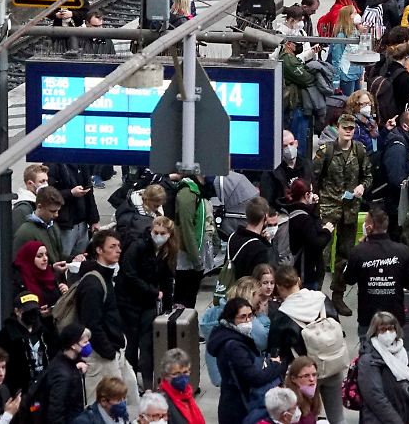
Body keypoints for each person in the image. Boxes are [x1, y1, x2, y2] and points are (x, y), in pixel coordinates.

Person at [267, 267, 345, 422]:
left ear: (279, 287)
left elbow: (274, 349)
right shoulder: (322, 299)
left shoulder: (282, 314)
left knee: (307, 418)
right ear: (298, 281)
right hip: (333, 364)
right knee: (337, 418)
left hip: (305, 373)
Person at [313, 114, 372, 316]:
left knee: (345, 255)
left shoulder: (360, 151)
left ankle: (338, 295)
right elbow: (315, 177)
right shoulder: (326, 151)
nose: (348, 131)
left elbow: (368, 175)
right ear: (337, 128)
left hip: (350, 209)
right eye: (345, 128)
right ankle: (314, 295)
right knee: (321, 253)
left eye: (351, 128)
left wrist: (363, 186)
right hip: (329, 206)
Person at [77, 230, 140, 415]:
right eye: (112, 247)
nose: (118, 250)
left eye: (119, 246)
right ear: (99, 250)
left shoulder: (107, 276)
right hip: (101, 356)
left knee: (131, 397)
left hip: (116, 351)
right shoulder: (93, 283)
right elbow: (91, 325)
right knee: (102, 407)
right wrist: (109, 352)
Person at [118, 216, 177, 386]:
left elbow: (167, 277)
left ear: (169, 234)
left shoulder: (167, 250)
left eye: (162, 233)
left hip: (148, 301)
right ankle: (131, 383)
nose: (158, 236)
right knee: (131, 344)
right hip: (129, 301)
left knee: (147, 344)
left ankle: (148, 383)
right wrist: (153, 292)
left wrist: (168, 304)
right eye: (155, 232)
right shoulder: (138, 246)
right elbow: (129, 274)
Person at [208, 296, 285, 424]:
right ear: (231, 318)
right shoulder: (234, 346)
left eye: (250, 316)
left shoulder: (231, 337)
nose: (248, 321)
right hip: (239, 409)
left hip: (234, 403)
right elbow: (255, 377)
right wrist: (276, 366)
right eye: (243, 317)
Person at [344, 209, 409, 336]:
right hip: (395, 318)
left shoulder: (358, 251)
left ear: (369, 227)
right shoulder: (402, 251)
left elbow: (348, 279)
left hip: (368, 318)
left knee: (367, 353)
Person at [357, 311, 409, 423]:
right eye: (382, 329)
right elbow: (375, 398)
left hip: (404, 415)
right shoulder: (368, 360)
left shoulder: (405, 355)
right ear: (375, 332)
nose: (388, 333)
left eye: (391, 328)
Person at [0, 293, 55, 397]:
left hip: (45, 388)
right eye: (28, 311)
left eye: (34, 310)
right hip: (20, 393)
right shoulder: (5, 337)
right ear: (17, 311)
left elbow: (58, 350)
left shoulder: (44, 331)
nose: (32, 315)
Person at [280, 178, 334, 290]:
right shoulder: (304, 219)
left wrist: (312, 206)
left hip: (294, 268)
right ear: (306, 195)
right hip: (305, 273)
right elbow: (316, 243)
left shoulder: (290, 211)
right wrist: (327, 232)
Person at [173, 175, 213, 308]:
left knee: (192, 294)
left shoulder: (199, 190)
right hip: (187, 254)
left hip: (198, 248)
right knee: (185, 298)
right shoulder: (187, 193)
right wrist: (196, 258)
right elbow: (186, 227)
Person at [41, 324, 91, 424]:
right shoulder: (63, 375)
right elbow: (56, 411)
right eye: (85, 342)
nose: (88, 345)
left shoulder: (69, 362)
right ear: (73, 345)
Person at [47, 163, 100, 257]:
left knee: (81, 259)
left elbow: (89, 192)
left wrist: (94, 220)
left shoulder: (80, 161)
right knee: (63, 258)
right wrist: (70, 193)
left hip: (82, 223)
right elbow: (48, 195)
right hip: (65, 225)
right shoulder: (53, 164)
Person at [228, 197, 276, 282]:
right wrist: (267, 243)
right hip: (249, 292)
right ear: (265, 217)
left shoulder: (233, 237)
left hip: (232, 289)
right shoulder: (260, 248)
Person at [156, 348, 205, 424]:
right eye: (176, 374)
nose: (182, 377)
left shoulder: (186, 394)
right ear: (165, 376)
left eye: (185, 372)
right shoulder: (160, 402)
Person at [13, 240, 67, 308]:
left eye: (46, 254)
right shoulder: (20, 280)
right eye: (39, 256)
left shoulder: (51, 276)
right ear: (30, 258)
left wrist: (65, 293)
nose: (45, 259)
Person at [328, 6, 366, 96]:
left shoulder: (357, 32)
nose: (357, 15)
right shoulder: (341, 35)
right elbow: (336, 58)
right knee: (348, 102)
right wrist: (336, 80)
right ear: (347, 16)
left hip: (357, 73)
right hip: (347, 74)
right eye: (354, 13)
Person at [284, 356, 325, 424]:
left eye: (314, 375)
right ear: (293, 379)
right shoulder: (290, 405)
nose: (312, 379)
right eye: (306, 376)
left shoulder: (312, 396)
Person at [11, 163, 48, 233]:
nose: (46, 184)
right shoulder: (22, 209)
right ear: (30, 183)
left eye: (46, 181)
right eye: (42, 181)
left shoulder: (36, 203)